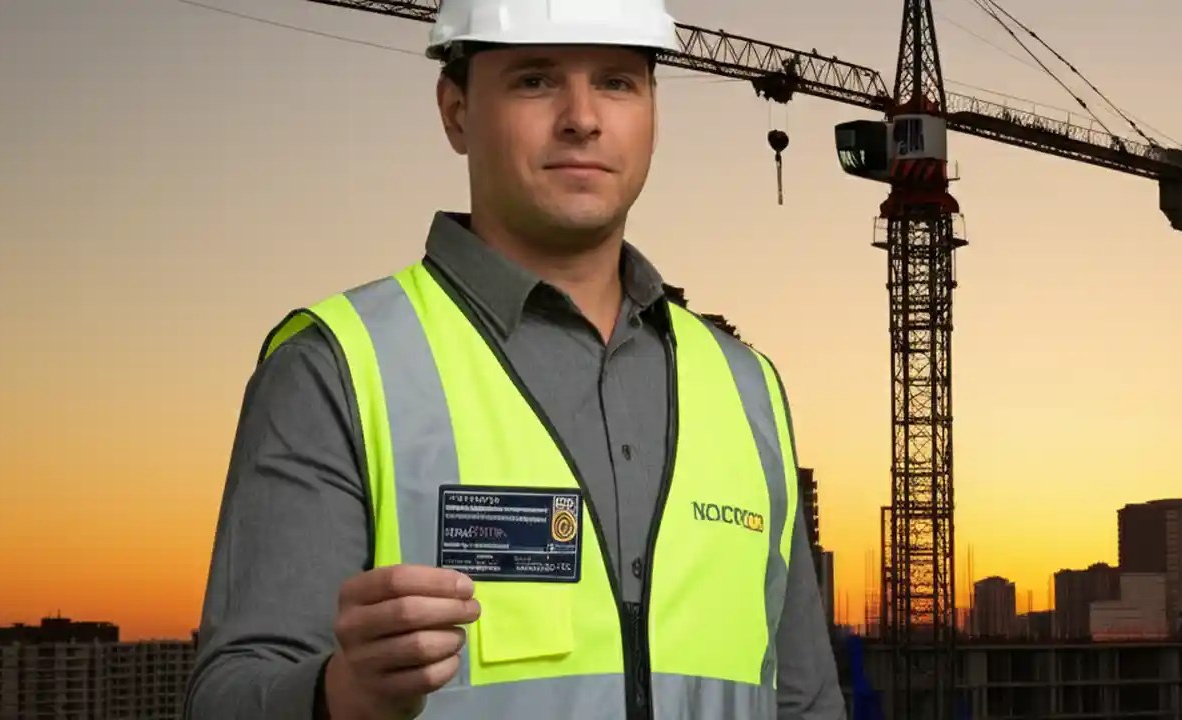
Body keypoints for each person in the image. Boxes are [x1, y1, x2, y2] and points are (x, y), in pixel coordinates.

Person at [184, 0, 844, 717]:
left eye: (618, 82)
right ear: (457, 112)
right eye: (535, 80)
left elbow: (804, 700)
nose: (583, 118)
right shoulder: (339, 367)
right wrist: (338, 695)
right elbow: (225, 697)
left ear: (653, 110)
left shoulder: (747, 385)